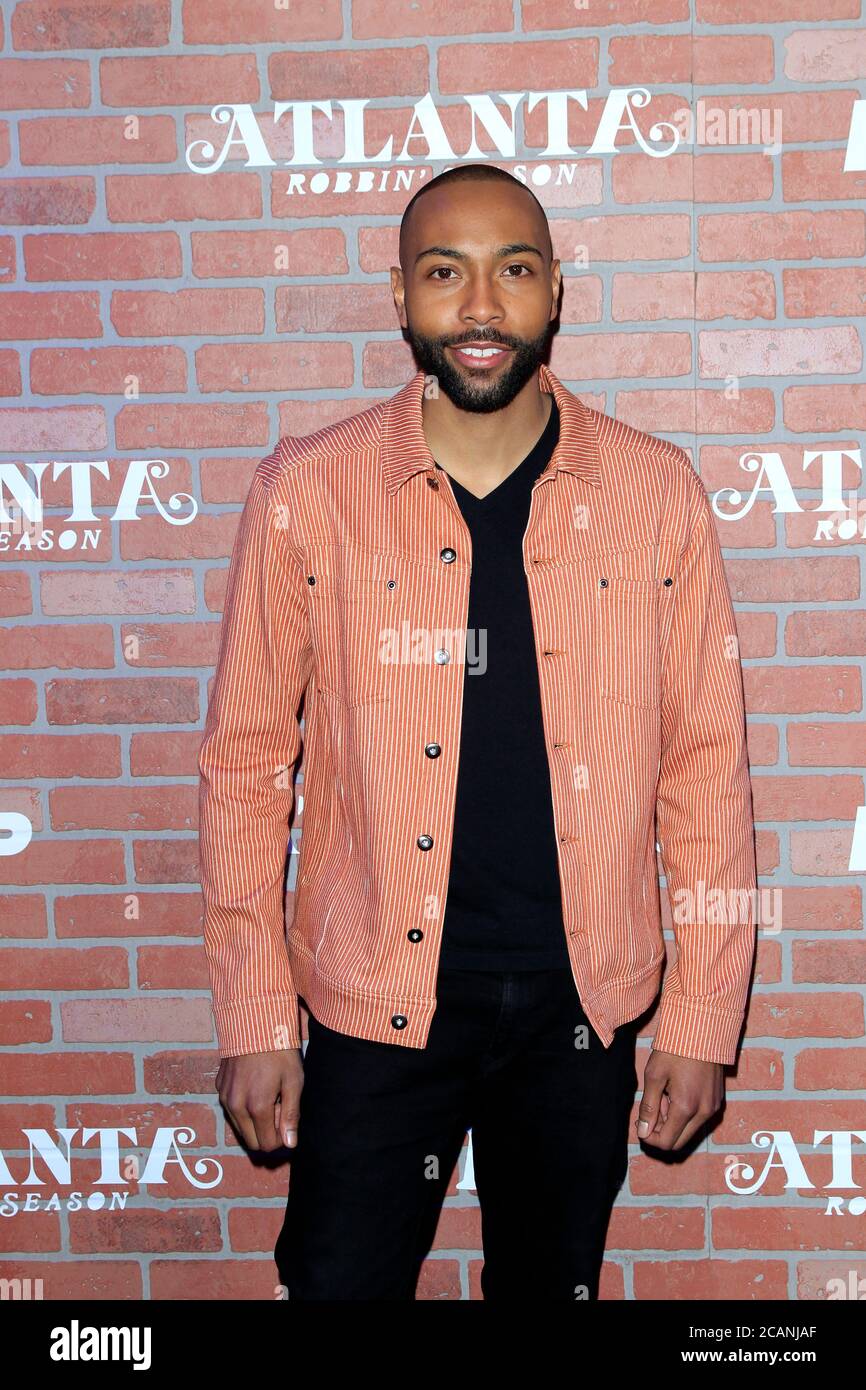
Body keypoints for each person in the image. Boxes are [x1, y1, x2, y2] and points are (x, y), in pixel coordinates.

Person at [197, 164, 758, 1301]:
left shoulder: (658, 495)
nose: (481, 307)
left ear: (556, 290)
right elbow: (245, 765)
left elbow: (704, 772)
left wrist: (701, 1015)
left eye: (512, 270)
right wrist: (254, 1009)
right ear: (398, 296)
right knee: (337, 1286)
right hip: (371, 1005)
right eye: (444, 273)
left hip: (578, 1008)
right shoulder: (307, 493)